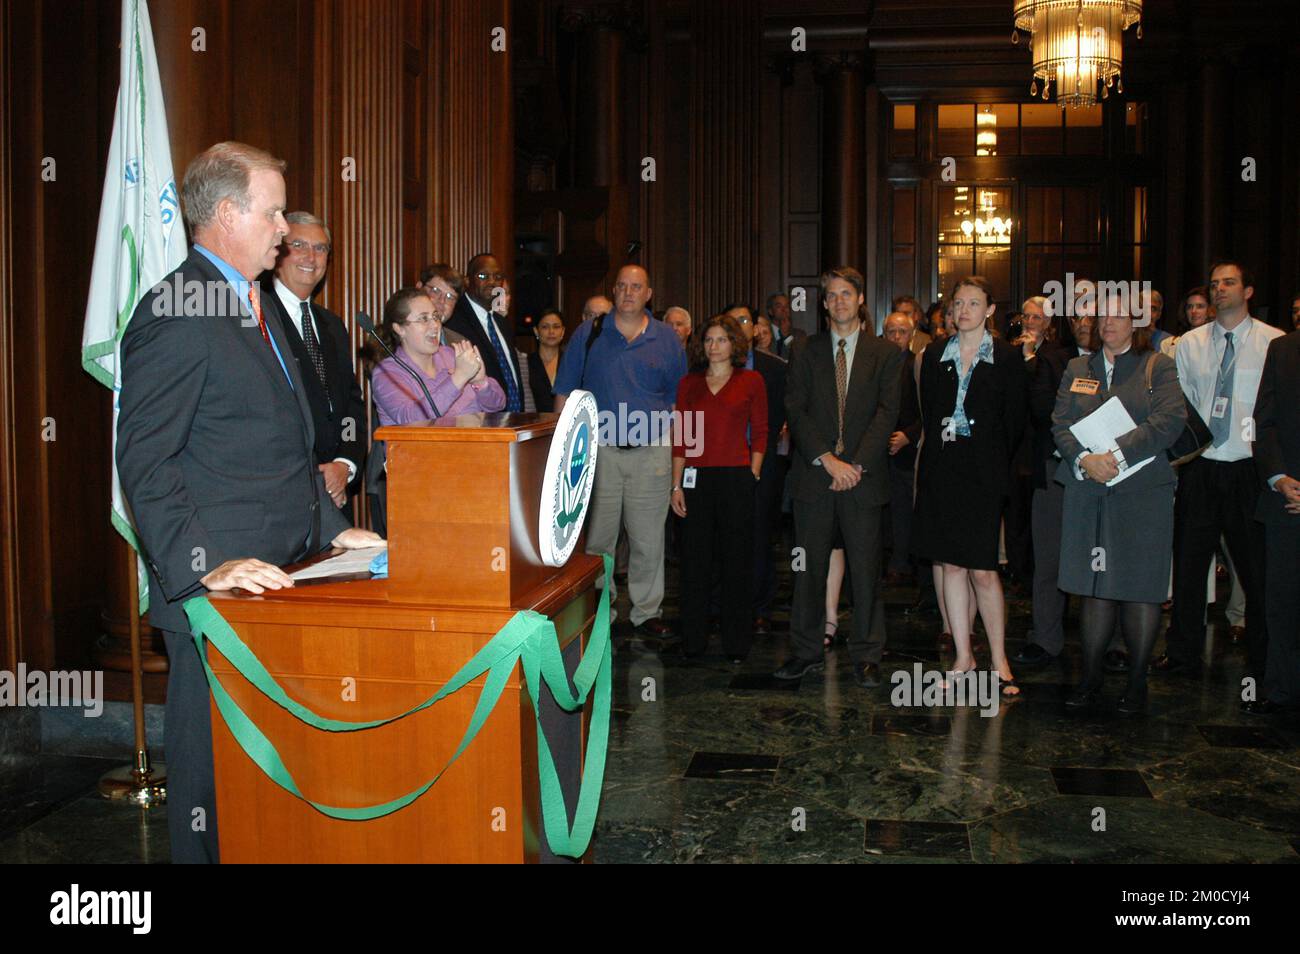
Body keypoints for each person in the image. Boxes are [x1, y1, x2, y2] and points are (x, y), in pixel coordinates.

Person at [116, 142, 383, 863]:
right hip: (220, 597)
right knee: (213, 793)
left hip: (284, 581)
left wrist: (336, 533)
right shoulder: (179, 307)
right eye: (272, 214)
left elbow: (289, 446)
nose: (284, 232)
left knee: (264, 787)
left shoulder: (258, 303)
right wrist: (206, 568)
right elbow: (144, 457)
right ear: (227, 214)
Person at [1053, 291, 1187, 713]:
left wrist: (1116, 454)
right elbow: (1060, 423)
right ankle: (1090, 679)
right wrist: (1083, 459)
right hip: (1088, 489)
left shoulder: (1156, 366)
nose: (1107, 323)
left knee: (1140, 589)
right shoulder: (1078, 367)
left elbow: (1169, 420)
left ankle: (1136, 683)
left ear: (1137, 322)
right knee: (1094, 588)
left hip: (1142, 493)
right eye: (1100, 317)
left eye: (1117, 316)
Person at [774, 266, 903, 689]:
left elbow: (887, 413)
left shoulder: (884, 353)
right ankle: (806, 650)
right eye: (831, 295)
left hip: (862, 480)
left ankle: (867, 654)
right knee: (808, 569)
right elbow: (796, 409)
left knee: (866, 571)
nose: (839, 301)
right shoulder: (805, 350)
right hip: (816, 476)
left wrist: (856, 465)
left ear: (860, 299)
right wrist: (827, 459)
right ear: (824, 303)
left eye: (846, 293)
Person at [1157, 261, 1282, 678]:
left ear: (1248, 291)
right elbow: (1181, 407)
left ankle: (1264, 659)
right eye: (1214, 284)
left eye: (1229, 283)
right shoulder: (1188, 344)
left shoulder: (1273, 343)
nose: (1219, 290)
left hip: (1249, 467)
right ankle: (1182, 655)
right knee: (1189, 566)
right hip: (1201, 466)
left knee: (1256, 569)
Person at [553, 265, 687, 638]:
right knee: (599, 540)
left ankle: (647, 613)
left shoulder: (667, 339)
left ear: (649, 294)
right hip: (600, 450)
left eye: (637, 287)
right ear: (614, 291)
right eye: (623, 286)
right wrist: (560, 451)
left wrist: (680, 463)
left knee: (648, 539)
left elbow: (679, 403)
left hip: (652, 450)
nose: (629, 293)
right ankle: (600, 612)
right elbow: (564, 390)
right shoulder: (590, 333)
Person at [912, 277, 1027, 696]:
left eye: (973, 303)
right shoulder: (933, 354)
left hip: (984, 473)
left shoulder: (1007, 358)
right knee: (952, 566)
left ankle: (999, 659)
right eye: (957, 303)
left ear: (990, 310)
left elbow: (1015, 422)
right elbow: (929, 415)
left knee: (983, 569)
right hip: (943, 471)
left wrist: (994, 464)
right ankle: (964, 656)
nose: (963, 310)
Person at [671, 314, 768, 660]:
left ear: (734, 344)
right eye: (709, 340)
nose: (714, 347)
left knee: (736, 563)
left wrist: (753, 472)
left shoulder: (751, 380)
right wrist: (676, 485)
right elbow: (682, 439)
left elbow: (760, 431)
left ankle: (736, 643)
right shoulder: (689, 384)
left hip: (736, 478)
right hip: (696, 479)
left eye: (721, 340)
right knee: (695, 563)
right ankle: (693, 642)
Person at [260, 212, 367, 518]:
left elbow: (350, 406)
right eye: (299, 245)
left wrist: (344, 465)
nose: (311, 256)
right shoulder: (256, 318)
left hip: (336, 497)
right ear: (279, 250)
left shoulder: (332, 325)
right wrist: (314, 474)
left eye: (320, 249)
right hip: (284, 498)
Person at [1015, 308, 1096, 667]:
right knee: (1048, 559)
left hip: (1112, 471)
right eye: (1079, 317)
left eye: (1093, 316)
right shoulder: (1053, 360)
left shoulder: (1133, 365)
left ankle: (1112, 642)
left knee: (1105, 560)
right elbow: (1043, 410)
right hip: (1057, 466)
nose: (1085, 324)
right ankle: (1046, 638)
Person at [1246, 327, 1300, 714]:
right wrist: (1279, 477)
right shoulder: (1283, 350)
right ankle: (1282, 689)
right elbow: (1263, 423)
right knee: (1281, 602)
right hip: (1286, 500)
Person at [725, 304, 788, 635]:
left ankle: (760, 606)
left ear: (756, 329)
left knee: (760, 534)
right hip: (721, 463)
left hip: (763, 461)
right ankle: (724, 604)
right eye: (733, 321)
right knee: (726, 534)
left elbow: (783, 416)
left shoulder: (774, 369)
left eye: (746, 320)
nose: (739, 326)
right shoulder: (712, 368)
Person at [371, 286, 505, 425]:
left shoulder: (452, 355)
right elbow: (411, 419)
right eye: (423, 319)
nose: (435, 325)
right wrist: (458, 378)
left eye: (435, 317)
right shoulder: (387, 373)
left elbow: (498, 404)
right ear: (399, 329)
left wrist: (481, 382)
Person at [444, 253, 525, 412]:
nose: (492, 282)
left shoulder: (502, 324)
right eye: (483, 275)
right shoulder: (454, 321)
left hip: (514, 421)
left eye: (497, 276)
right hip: (479, 421)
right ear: (467, 281)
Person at [883, 311, 922, 586]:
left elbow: (932, 410)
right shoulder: (875, 366)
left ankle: (904, 563)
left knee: (905, 510)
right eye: (891, 332)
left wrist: (908, 435)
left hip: (908, 451)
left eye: (902, 332)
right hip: (878, 451)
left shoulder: (919, 366)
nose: (896, 337)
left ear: (912, 335)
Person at [528, 308, 565, 412]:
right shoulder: (525, 363)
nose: (551, 332)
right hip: (534, 423)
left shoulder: (571, 363)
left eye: (556, 327)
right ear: (536, 331)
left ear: (563, 331)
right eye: (545, 327)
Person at [767, 292, 806, 360]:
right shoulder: (764, 333)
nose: (784, 310)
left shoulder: (799, 335)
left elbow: (797, 359)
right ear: (770, 311)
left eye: (786, 306)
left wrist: (787, 337)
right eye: (779, 306)